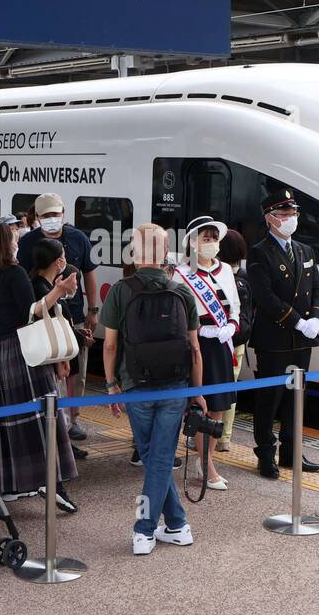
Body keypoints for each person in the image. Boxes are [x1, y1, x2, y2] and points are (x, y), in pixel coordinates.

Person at [101, 223, 204, 555]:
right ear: (164, 254)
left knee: (154, 458)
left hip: (136, 386)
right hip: (175, 388)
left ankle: (144, 530)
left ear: (133, 253)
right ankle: (176, 525)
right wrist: (196, 391)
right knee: (156, 458)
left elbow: (110, 347)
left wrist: (111, 385)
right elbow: (195, 349)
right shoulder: (182, 292)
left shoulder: (120, 291)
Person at [0, 222, 79, 510]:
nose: (17, 244)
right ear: (4, 245)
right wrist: (59, 290)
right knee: (41, 419)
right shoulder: (14, 274)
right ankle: (52, 483)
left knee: (4, 424)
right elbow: (29, 314)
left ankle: (9, 485)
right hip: (23, 354)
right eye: (14, 240)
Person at [247, 189, 319, 479]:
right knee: (270, 398)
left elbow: (317, 288)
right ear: (270, 219)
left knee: (296, 397)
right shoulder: (259, 252)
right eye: (284, 214)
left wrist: (315, 318)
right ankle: (265, 454)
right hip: (274, 338)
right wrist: (296, 321)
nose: (290, 219)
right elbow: (264, 296)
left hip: (303, 339)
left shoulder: (306, 250)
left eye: (293, 214)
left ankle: (291, 453)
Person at [16, 192, 101, 444]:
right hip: (43, 318)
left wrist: (92, 310)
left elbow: (89, 274)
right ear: (37, 217)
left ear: (63, 212)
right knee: (51, 371)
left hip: (72, 315)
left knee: (77, 370)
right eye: (46, 215)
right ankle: (52, 419)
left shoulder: (78, 238)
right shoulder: (27, 242)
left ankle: (74, 419)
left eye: (56, 214)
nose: (52, 219)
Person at [176, 215, 240, 489]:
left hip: (222, 344)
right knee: (201, 407)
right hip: (197, 345)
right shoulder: (181, 274)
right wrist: (202, 332)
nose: (212, 243)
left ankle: (207, 460)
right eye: (205, 239)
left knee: (219, 407)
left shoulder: (225, 269)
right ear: (191, 243)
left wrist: (232, 326)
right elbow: (180, 315)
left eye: (214, 239)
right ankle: (207, 466)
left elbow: (235, 305)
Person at [26, 237, 89, 461]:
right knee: (54, 406)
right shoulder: (42, 288)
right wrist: (60, 361)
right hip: (48, 359)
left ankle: (62, 449)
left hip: (52, 357)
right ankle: (58, 453)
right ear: (57, 262)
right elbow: (40, 319)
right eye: (62, 255)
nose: (65, 259)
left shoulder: (42, 284)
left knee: (56, 407)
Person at [217, 229, 253, 453]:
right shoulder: (247, 276)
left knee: (209, 387)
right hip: (238, 343)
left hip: (214, 341)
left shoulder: (216, 275)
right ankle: (224, 438)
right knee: (230, 390)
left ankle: (203, 432)